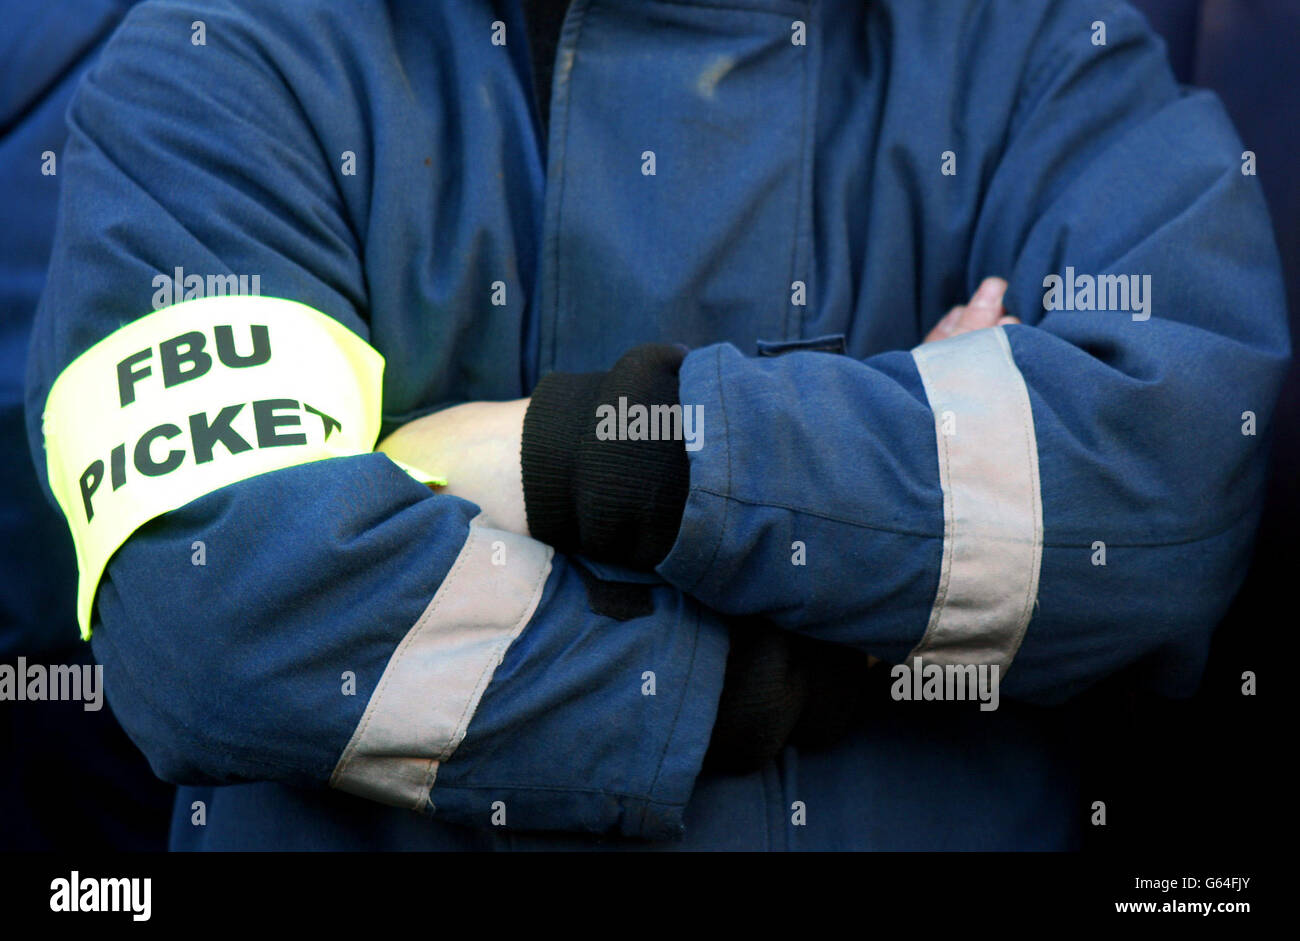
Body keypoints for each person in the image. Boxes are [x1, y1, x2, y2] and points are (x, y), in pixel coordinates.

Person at [24, 0, 1288, 850]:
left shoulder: (1035, 46)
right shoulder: (224, 62)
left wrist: (568, 458)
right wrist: (793, 660)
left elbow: (1170, 485)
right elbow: (219, 619)